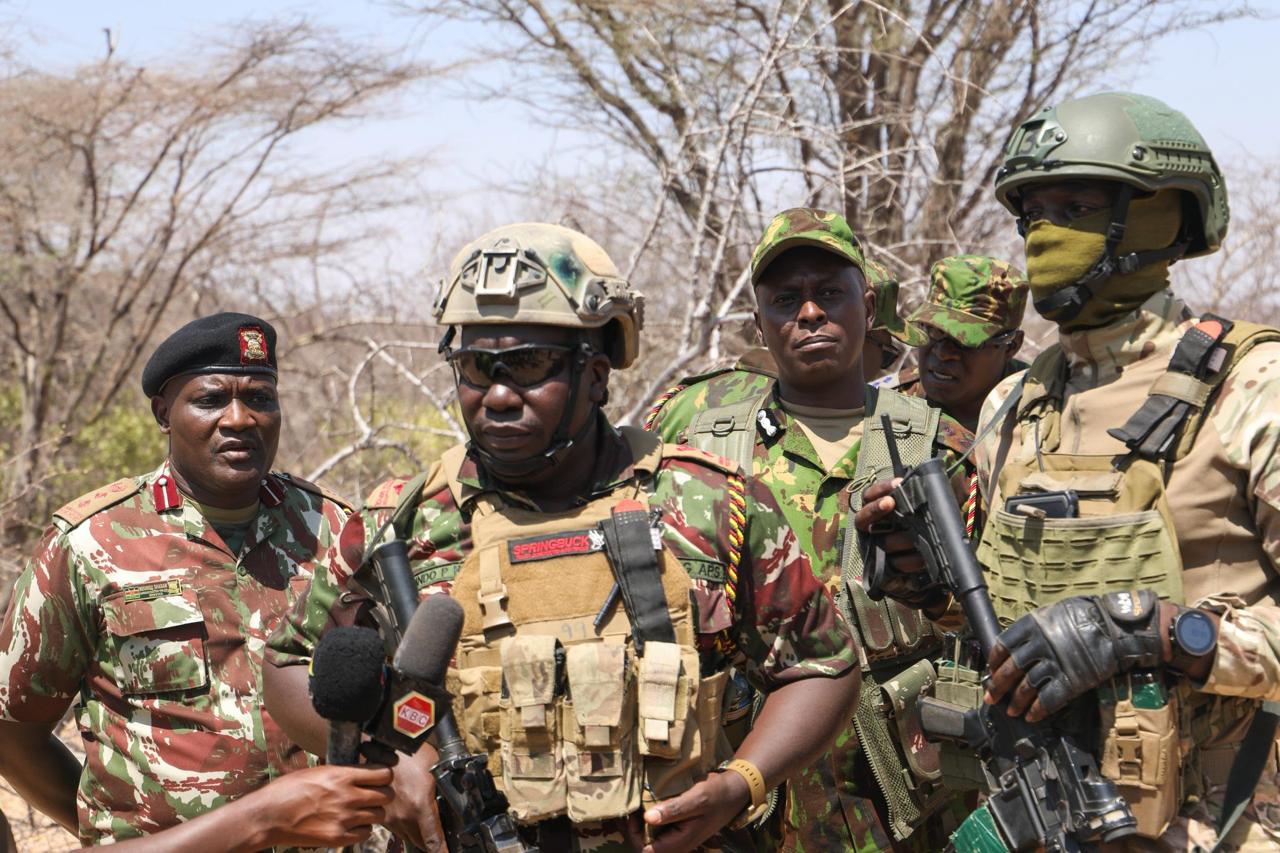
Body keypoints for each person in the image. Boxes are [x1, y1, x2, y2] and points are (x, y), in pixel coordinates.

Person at [263, 222, 860, 853]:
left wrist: (742, 783)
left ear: (597, 375)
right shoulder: (402, 521)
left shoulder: (708, 499)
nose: (496, 396)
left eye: (528, 366)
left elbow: (824, 664)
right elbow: (286, 662)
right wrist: (400, 772)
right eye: (474, 367)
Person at [859, 91, 1280, 850]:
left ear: (1160, 216)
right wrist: (925, 576)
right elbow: (1005, 622)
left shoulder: (1255, 390)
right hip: (1047, 821)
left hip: (1221, 826)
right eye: (1032, 214)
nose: (1044, 234)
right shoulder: (1015, 404)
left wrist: (1152, 631)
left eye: (1077, 205)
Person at [0, 312, 396, 849]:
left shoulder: (337, 532)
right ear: (164, 413)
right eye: (211, 400)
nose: (240, 418)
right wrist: (112, 833)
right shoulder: (89, 542)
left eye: (260, 397)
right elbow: (13, 729)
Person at [648, 208, 972, 851]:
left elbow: (994, 625)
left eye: (829, 293)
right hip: (745, 804)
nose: (810, 314)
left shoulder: (941, 449)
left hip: (908, 804)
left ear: (868, 303)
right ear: (759, 319)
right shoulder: (698, 451)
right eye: (786, 299)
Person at [642, 252, 916, 437]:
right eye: (885, 355)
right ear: (760, 325)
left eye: (830, 294)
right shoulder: (705, 429)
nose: (811, 314)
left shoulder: (926, 438)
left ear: (866, 313)